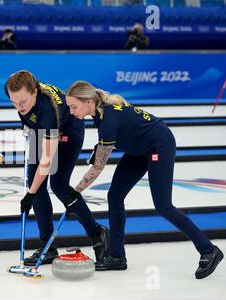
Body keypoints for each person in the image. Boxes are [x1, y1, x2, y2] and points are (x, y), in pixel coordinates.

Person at [65, 81, 223, 279]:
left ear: (88, 102)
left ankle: (208, 250)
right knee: (114, 196)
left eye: (73, 107)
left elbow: (98, 167)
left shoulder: (107, 120)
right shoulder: (100, 113)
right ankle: (117, 256)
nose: (71, 112)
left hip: (159, 145)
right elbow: (107, 144)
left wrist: (76, 191)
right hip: (139, 149)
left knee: (163, 205)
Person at [4, 70, 109, 266]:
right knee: (36, 187)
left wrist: (29, 195)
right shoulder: (25, 98)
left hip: (69, 132)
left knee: (58, 185)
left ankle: (97, 233)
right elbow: (29, 118)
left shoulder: (49, 111)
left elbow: (46, 161)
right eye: (14, 102)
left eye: (23, 102)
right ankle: (48, 247)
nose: (19, 107)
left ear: (35, 92)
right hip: (40, 132)